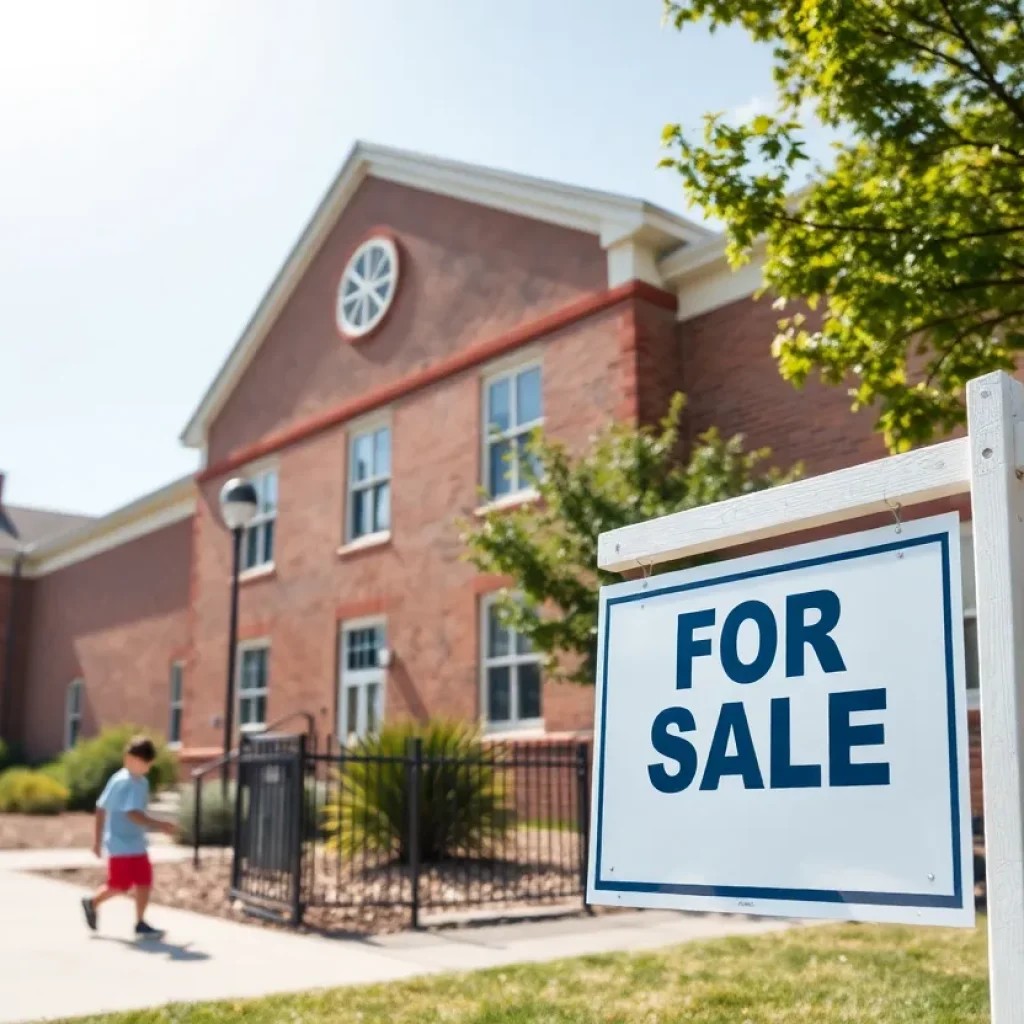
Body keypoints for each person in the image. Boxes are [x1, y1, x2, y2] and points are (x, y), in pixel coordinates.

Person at [80, 735, 176, 938]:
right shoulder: (120, 780)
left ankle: (140, 923)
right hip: (119, 843)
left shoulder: (141, 782)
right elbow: (117, 811)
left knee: (144, 881)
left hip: (136, 843)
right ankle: (92, 902)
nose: (143, 767)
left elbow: (128, 812)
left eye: (144, 763)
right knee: (120, 885)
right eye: (133, 761)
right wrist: (97, 841)